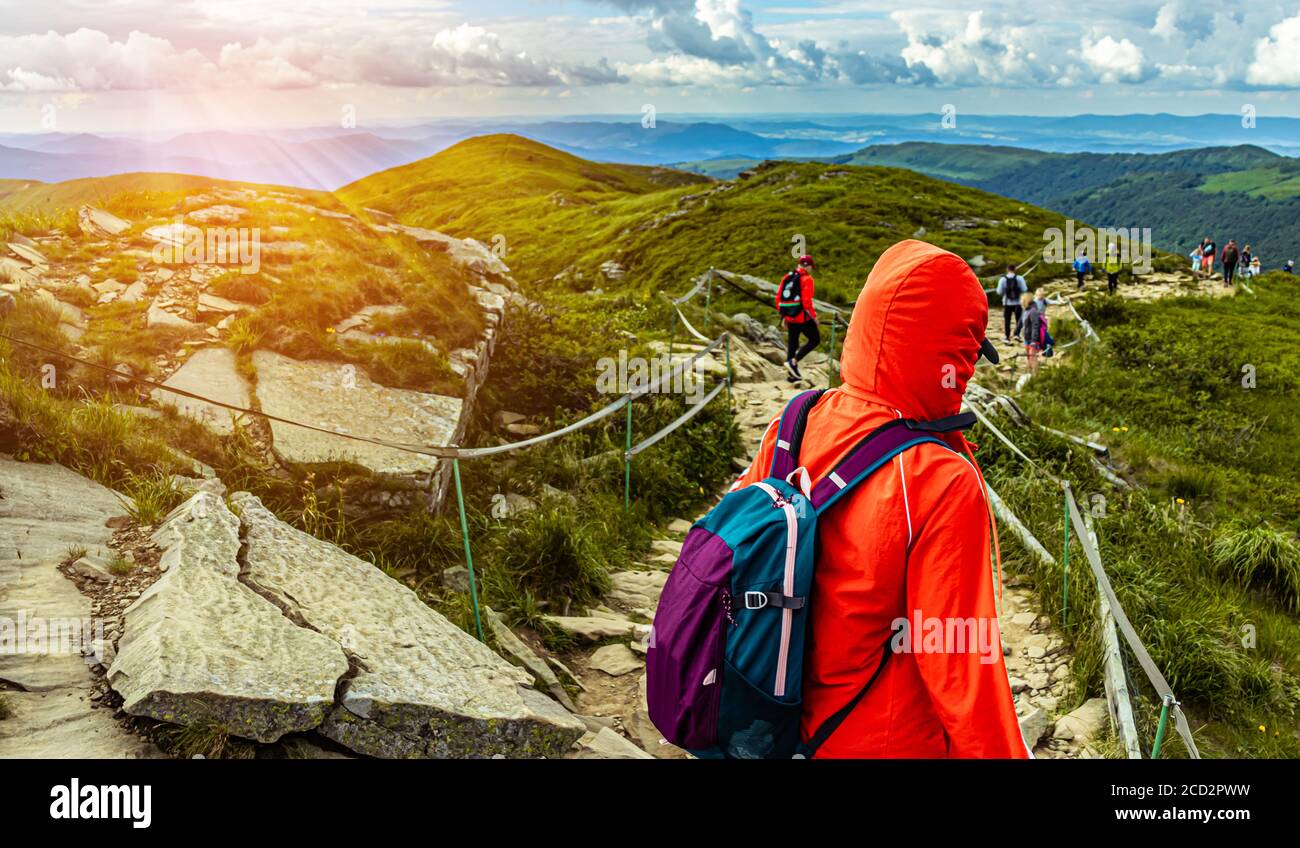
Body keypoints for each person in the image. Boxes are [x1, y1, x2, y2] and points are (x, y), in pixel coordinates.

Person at [735, 240, 1028, 758]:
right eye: (967, 352)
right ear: (948, 353)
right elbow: (960, 661)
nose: (970, 371)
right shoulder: (940, 477)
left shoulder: (794, 421)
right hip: (886, 740)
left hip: (774, 723)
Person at [776, 254, 820, 382]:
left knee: (793, 343)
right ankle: (794, 362)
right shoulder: (807, 279)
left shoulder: (787, 277)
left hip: (790, 317)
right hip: (802, 317)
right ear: (809, 266)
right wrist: (814, 318)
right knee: (815, 339)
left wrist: (784, 315)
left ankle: (791, 375)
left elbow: (778, 297)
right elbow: (806, 302)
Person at [995, 263, 1026, 343]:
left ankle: (1007, 337)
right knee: (1018, 320)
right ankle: (1017, 334)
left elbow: (999, 292)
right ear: (1015, 269)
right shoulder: (1020, 278)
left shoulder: (1003, 279)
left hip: (1007, 303)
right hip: (1018, 302)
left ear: (1007, 270)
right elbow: (1024, 289)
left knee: (1007, 321)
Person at [1021, 292, 1044, 373]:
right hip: (1027, 338)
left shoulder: (1033, 311)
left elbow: (1035, 326)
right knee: (1029, 357)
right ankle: (1029, 374)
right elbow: (1022, 323)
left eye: (1022, 300)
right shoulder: (1026, 310)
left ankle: (1035, 376)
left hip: (1032, 340)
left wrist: (1034, 340)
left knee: (1033, 358)